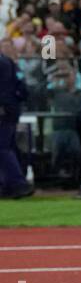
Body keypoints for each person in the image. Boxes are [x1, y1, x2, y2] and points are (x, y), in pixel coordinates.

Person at [0, 38, 32, 199]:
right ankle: (7, 186)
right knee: (9, 146)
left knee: (3, 148)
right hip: (12, 109)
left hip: (3, 109)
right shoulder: (10, 63)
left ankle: (19, 184)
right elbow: (22, 88)